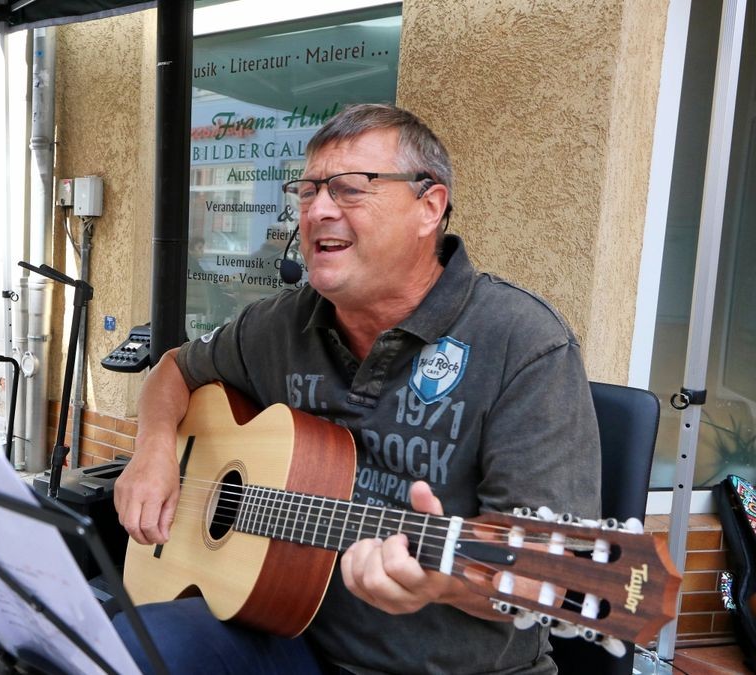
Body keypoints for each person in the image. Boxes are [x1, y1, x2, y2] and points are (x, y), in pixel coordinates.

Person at [113, 104, 601, 674]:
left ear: (430, 207)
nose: (318, 210)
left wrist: (440, 584)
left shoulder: (524, 344)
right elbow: (174, 368)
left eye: (349, 189)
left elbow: (559, 572)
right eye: (308, 190)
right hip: (291, 640)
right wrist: (152, 452)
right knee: (123, 645)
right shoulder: (279, 323)